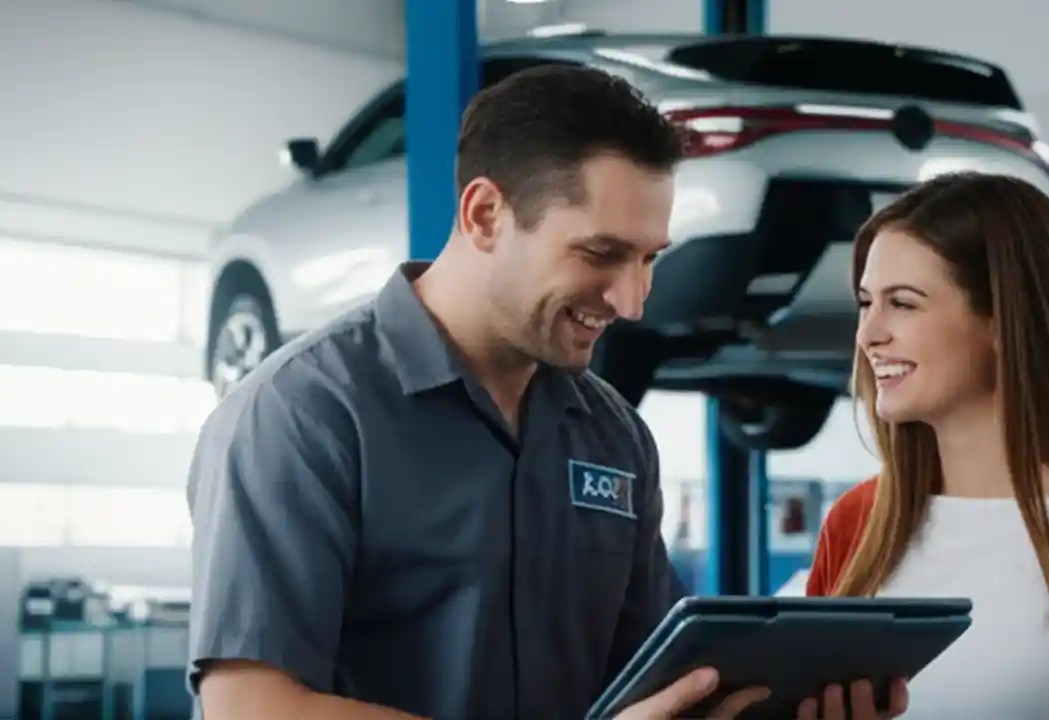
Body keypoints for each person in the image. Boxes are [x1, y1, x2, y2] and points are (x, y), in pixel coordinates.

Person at [186, 63, 906, 720]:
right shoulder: (301, 416)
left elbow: (655, 686)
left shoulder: (614, 436)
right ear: (485, 216)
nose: (632, 301)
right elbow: (249, 706)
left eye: (651, 259)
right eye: (601, 254)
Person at [806, 171, 1049, 718]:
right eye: (867, 303)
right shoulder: (854, 525)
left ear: (1003, 321)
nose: (868, 334)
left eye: (904, 304)